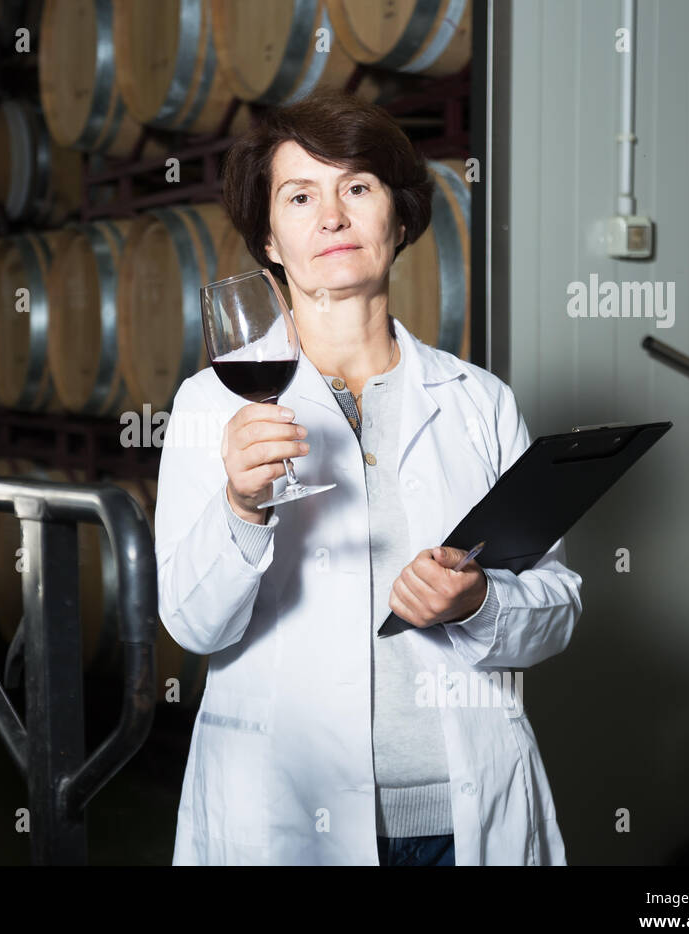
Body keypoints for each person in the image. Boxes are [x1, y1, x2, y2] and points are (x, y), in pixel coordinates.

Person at [153, 89, 584, 865]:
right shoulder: (211, 403)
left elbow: (556, 608)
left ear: (399, 217)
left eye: (357, 187)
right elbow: (191, 626)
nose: (331, 216)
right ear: (271, 241)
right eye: (299, 195)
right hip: (286, 813)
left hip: (459, 818)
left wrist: (481, 599)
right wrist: (240, 508)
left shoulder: (477, 402)